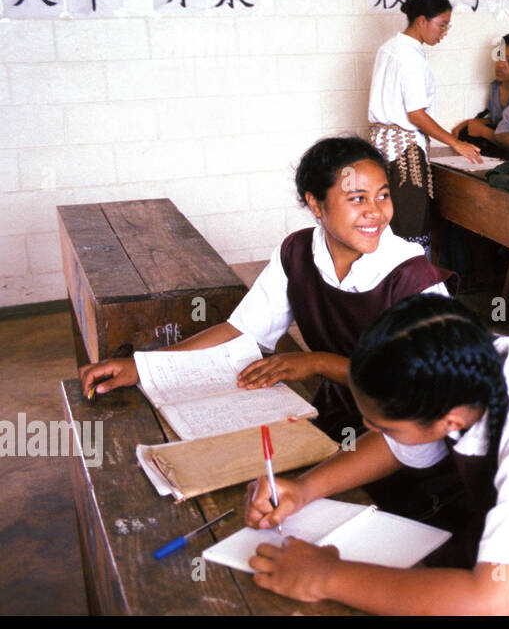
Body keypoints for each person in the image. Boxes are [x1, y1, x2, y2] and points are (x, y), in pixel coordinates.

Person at [244, 294, 509, 615]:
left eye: (383, 424)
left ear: (448, 420)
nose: (369, 432)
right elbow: (402, 443)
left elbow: (490, 602)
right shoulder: (468, 371)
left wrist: (326, 576)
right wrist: (304, 488)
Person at [77, 137, 455, 446]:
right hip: (341, 413)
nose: (375, 211)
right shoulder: (298, 253)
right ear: (316, 204)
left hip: (406, 432)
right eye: (357, 198)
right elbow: (242, 330)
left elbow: (422, 388)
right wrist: (146, 366)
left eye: (383, 195)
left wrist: (319, 362)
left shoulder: (411, 277)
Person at [368, 0, 481, 254]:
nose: (444, 33)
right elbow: (416, 114)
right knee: (411, 228)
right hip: (405, 153)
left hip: (379, 148)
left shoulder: (389, 48)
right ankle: (416, 291)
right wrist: (455, 143)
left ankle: (390, 291)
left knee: (387, 225)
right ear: (421, 21)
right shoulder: (411, 58)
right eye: (441, 25)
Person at [452, 32, 509, 156]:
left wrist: (483, 132)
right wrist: (467, 123)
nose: (501, 64)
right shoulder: (496, 87)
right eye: (499, 56)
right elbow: (498, 119)